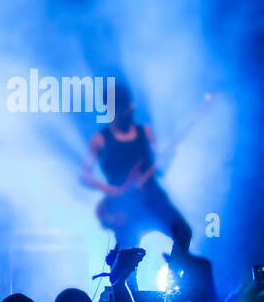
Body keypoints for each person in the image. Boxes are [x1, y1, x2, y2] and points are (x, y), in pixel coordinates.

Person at [80, 81, 192, 255]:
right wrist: (111, 189)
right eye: (125, 106)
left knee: (183, 233)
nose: (131, 109)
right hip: (126, 203)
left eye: (130, 104)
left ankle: (177, 269)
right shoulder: (100, 140)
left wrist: (165, 160)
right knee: (127, 251)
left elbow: (159, 168)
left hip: (153, 196)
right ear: (113, 110)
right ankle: (127, 281)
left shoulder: (145, 132)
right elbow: (84, 174)